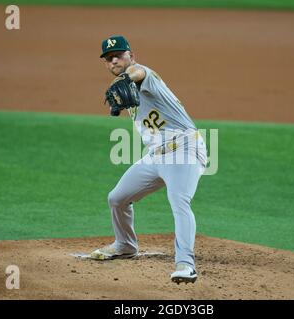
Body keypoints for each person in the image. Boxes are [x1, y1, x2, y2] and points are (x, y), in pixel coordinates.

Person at [89, 35, 207, 284]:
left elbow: (138, 73)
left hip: (184, 149)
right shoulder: (127, 89)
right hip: (156, 157)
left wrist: (125, 77)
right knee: (117, 198)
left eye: (118, 56)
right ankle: (125, 245)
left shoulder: (144, 75)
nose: (113, 61)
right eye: (108, 59)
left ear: (131, 55)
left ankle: (186, 265)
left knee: (179, 201)